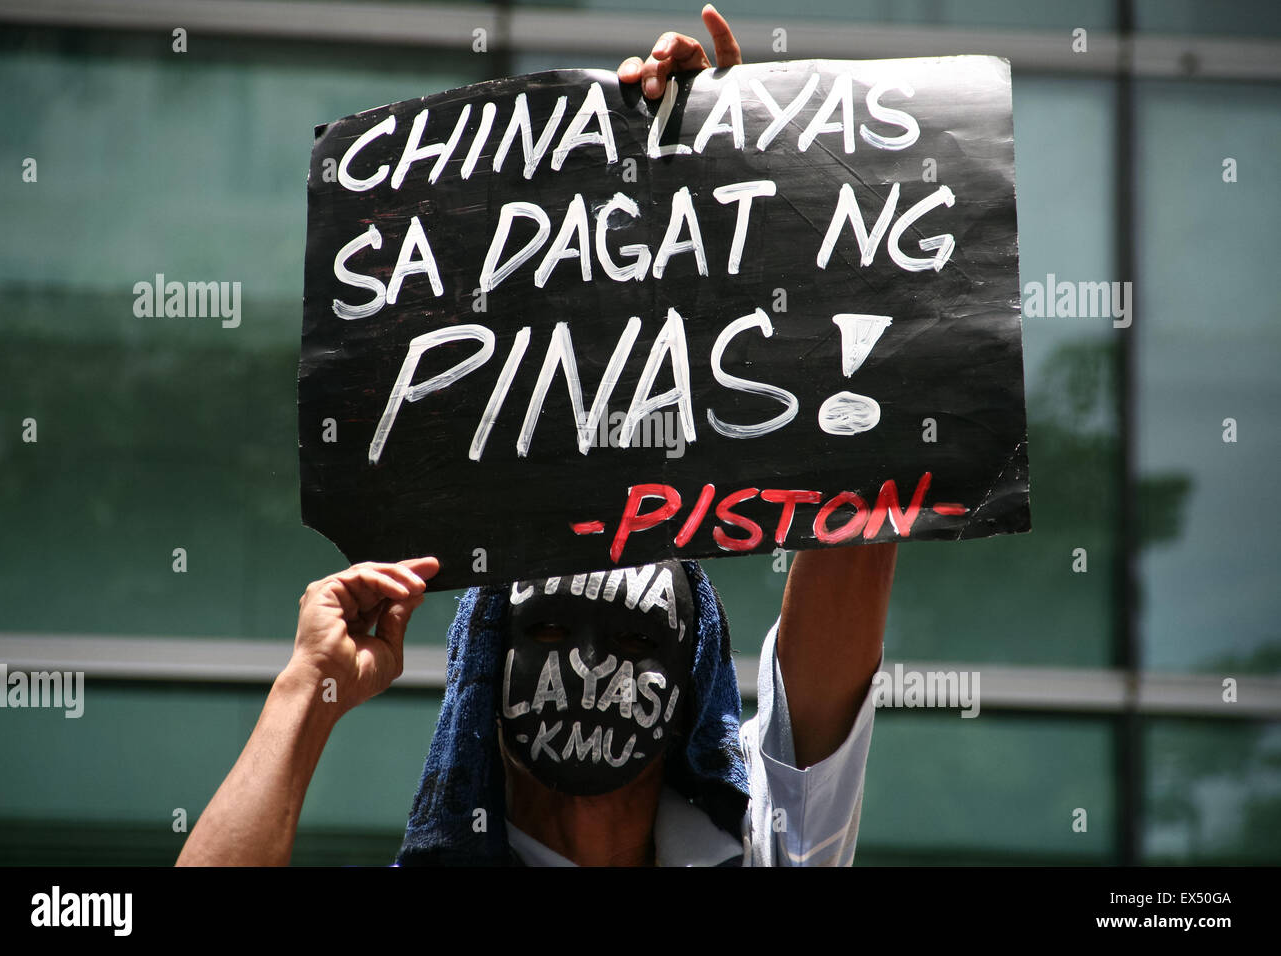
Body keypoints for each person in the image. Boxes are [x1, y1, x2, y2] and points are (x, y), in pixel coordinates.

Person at [176, 5, 897, 868]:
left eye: (637, 640)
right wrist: (307, 690)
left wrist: (758, 187)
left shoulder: (771, 840)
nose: (591, 667)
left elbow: (857, 510)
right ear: (486, 654)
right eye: (550, 631)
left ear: (694, 672)